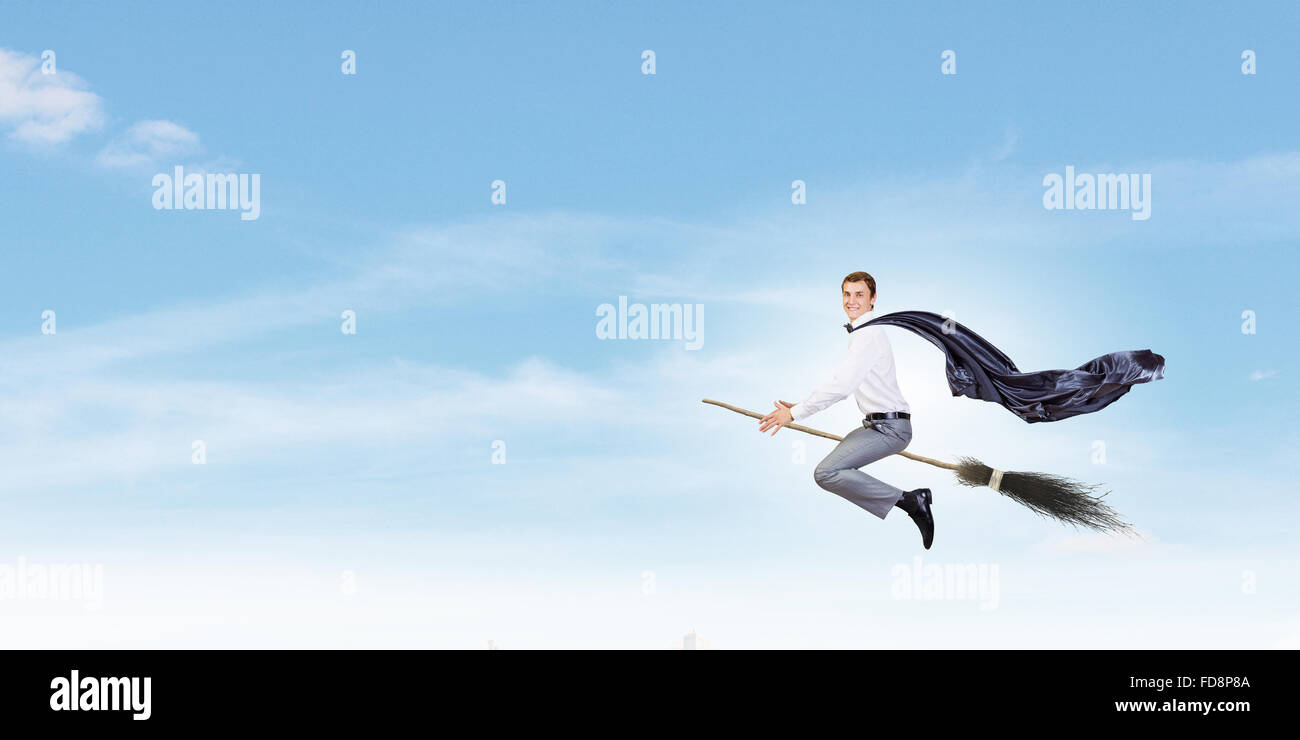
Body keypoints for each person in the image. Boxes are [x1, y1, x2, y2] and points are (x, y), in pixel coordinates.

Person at [758, 271, 935, 548]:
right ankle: (912, 500)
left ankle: (912, 501)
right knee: (832, 471)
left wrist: (793, 414)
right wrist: (800, 405)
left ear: (873, 299)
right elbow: (841, 382)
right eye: (847, 294)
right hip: (874, 425)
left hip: (891, 429)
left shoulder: (868, 334)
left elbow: (841, 386)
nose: (851, 301)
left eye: (859, 295)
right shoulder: (865, 333)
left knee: (826, 473)